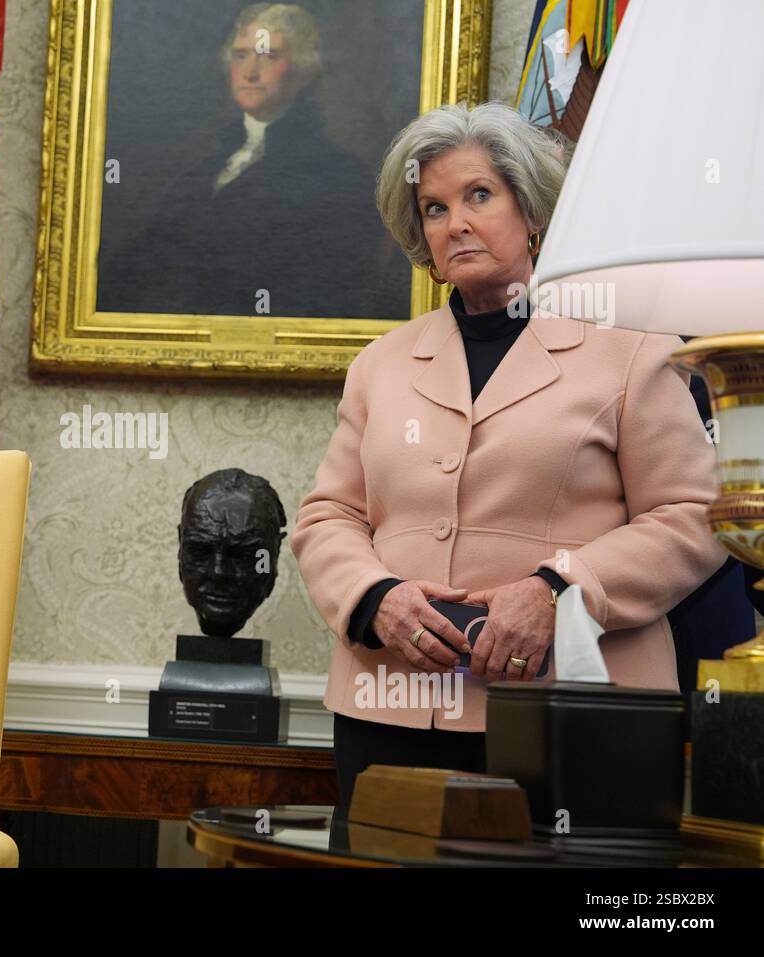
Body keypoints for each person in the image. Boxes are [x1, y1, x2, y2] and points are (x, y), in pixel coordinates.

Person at [291, 103, 733, 809]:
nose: (455, 222)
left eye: (478, 195)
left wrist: (559, 591)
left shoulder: (631, 349)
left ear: (530, 210)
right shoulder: (381, 365)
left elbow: (699, 516)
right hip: (390, 713)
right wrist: (376, 599)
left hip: (572, 712)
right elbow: (327, 517)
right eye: (433, 208)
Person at [99, 3, 403, 319]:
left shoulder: (339, 174)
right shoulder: (208, 165)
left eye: (269, 56)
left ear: (304, 70)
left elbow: (324, 291)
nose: (250, 72)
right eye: (241, 55)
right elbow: (143, 258)